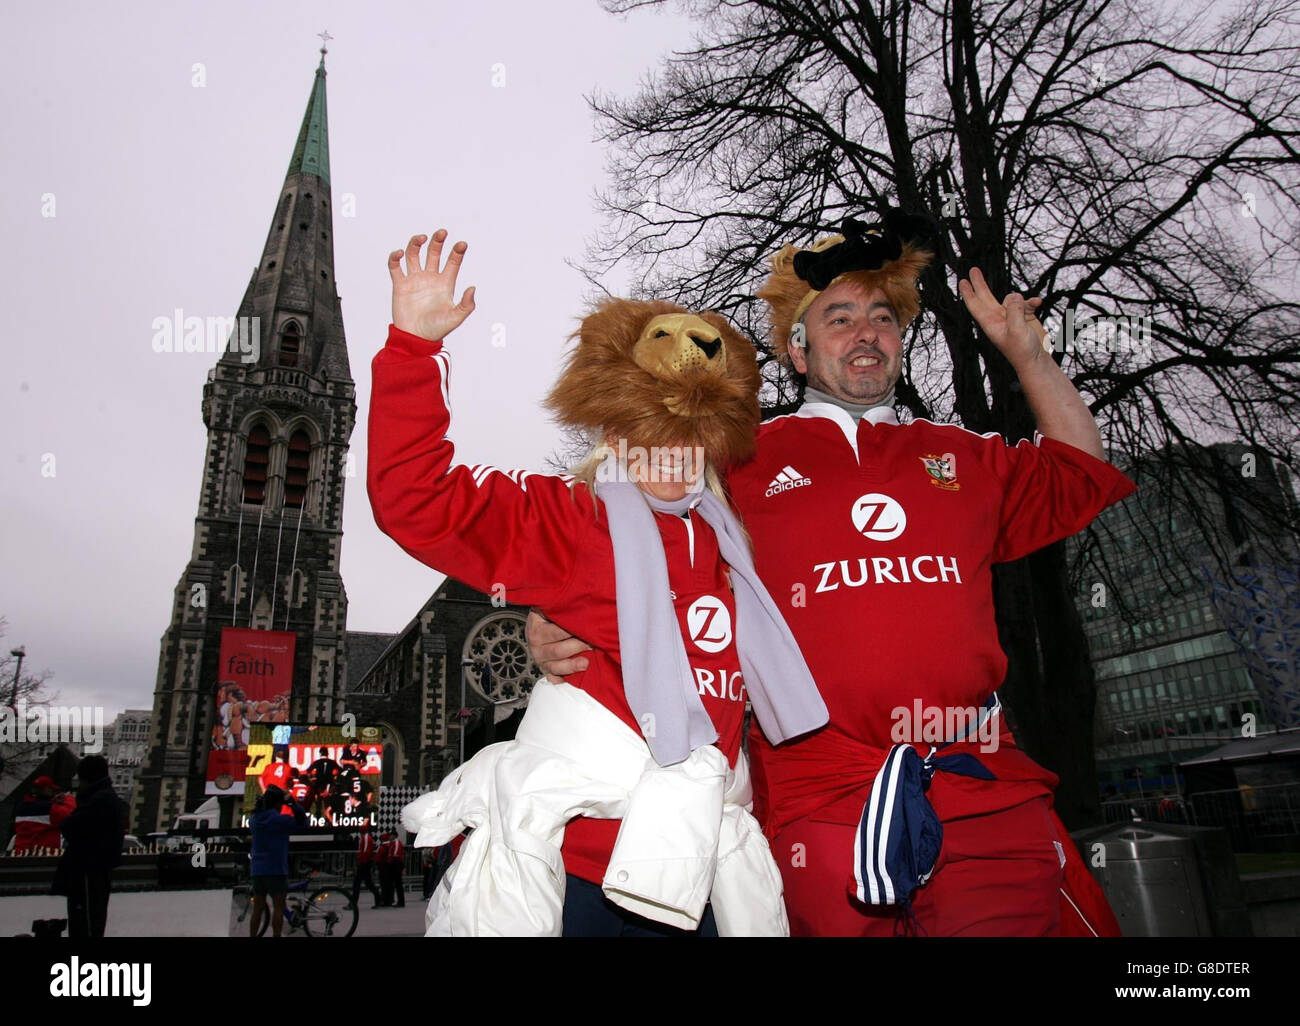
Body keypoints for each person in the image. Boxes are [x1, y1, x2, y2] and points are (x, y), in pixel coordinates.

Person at [529, 209, 1136, 937]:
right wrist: (550, 613)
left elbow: (1081, 472)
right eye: (839, 316)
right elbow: (621, 523)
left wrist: (1029, 356)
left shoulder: (967, 456)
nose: (866, 332)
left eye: (882, 317)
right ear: (797, 348)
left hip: (976, 776)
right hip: (818, 791)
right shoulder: (742, 460)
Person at [370, 229, 827, 936]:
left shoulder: (734, 544)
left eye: (692, 430)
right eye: (651, 427)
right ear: (613, 436)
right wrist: (412, 348)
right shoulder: (570, 521)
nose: (674, 453)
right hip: (591, 880)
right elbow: (417, 499)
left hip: (705, 870)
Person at [53, 756, 126, 939]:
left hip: (88, 868)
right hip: (95, 868)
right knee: (91, 919)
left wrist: (66, 808)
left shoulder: (99, 799)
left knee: (85, 921)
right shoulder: (105, 796)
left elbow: (72, 827)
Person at [248, 785, 308, 937]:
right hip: (276, 868)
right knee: (279, 908)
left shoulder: (254, 820)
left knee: (257, 909)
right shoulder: (280, 820)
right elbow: (303, 823)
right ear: (277, 804)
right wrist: (293, 805)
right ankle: (276, 935)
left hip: (257, 869)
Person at [13, 776, 75, 854]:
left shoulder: (21, 807)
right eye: (52, 790)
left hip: (19, 854)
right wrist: (68, 798)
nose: (53, 792)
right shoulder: (49, 809)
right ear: (47, 789)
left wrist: (54, 801)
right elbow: (70, 813)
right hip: (41, 856)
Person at [352, 824, 383, 909]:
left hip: (364, 864)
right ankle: (378, 899)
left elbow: (365, 852)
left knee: (357, 883)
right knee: (368, 883)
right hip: (366, 863)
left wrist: (360, 863)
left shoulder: (365, 838)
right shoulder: (367, 837)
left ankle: (353, 903)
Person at [383, 831, 406, 909]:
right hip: (394, 864)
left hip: (395, 865)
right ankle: (392, 900)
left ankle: (400, 901)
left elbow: (396, 854)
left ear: (394, 836)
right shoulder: (392, 843)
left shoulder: (396, 843)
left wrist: (391, 862)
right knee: (394, 883)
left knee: (397, 884)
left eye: (390, 836)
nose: (389, 837)